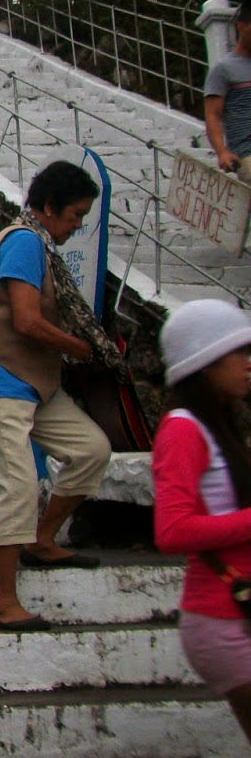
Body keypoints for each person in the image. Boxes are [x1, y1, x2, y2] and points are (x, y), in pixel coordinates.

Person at [0, 160, 120, 629]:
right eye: (75, 215)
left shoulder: (42, 246)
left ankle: (41, 540)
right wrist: (80, 348)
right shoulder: (25, 242)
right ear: (49, 207)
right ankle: (5, 604)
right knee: (18, 484)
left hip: (35, 382)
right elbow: (26, 321)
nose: (78, 225)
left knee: (91, 450)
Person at [153, 298, 251, 744]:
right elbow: (172, 530)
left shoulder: (217, 423)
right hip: (224, 618)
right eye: (239, 352)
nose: (248, 363)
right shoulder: (183, 428)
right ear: (206, 362)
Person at [204, 3, 251, 178]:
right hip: (247, 153)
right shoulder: (223, 69)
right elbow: (212, 115)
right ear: (241, 26)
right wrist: (222, 152)